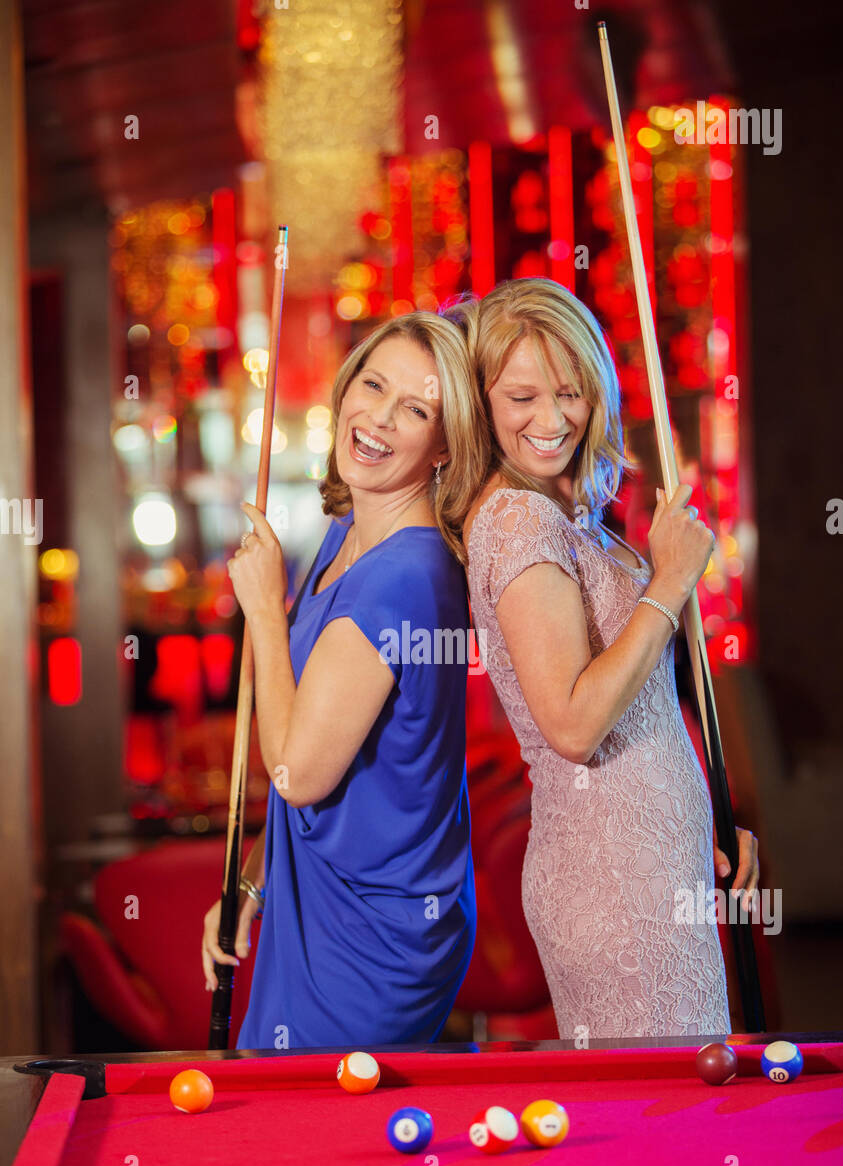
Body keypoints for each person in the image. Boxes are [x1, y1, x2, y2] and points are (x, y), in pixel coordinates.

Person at [446, 279, 759, 1038]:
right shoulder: (518, 519)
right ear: (481, 403)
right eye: (520, 397)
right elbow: (575, 725)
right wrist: (672, 582)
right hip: (613, 879)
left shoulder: (571, 515)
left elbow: (641, 703)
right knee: (670, 1123)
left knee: (685, 1108)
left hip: (652, 863)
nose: (552, 420)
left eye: (571, 391)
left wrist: (702, 816)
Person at [202, 312, 487, 1048]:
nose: (379, 419)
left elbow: (298, 771)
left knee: (311, 1143)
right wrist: (255, 882)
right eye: (373, 384)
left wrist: (262, 610)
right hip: (315, 896)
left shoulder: (405, 578)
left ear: (446, 444)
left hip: (372, 934)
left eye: (416, 409)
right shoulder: (343, 533)